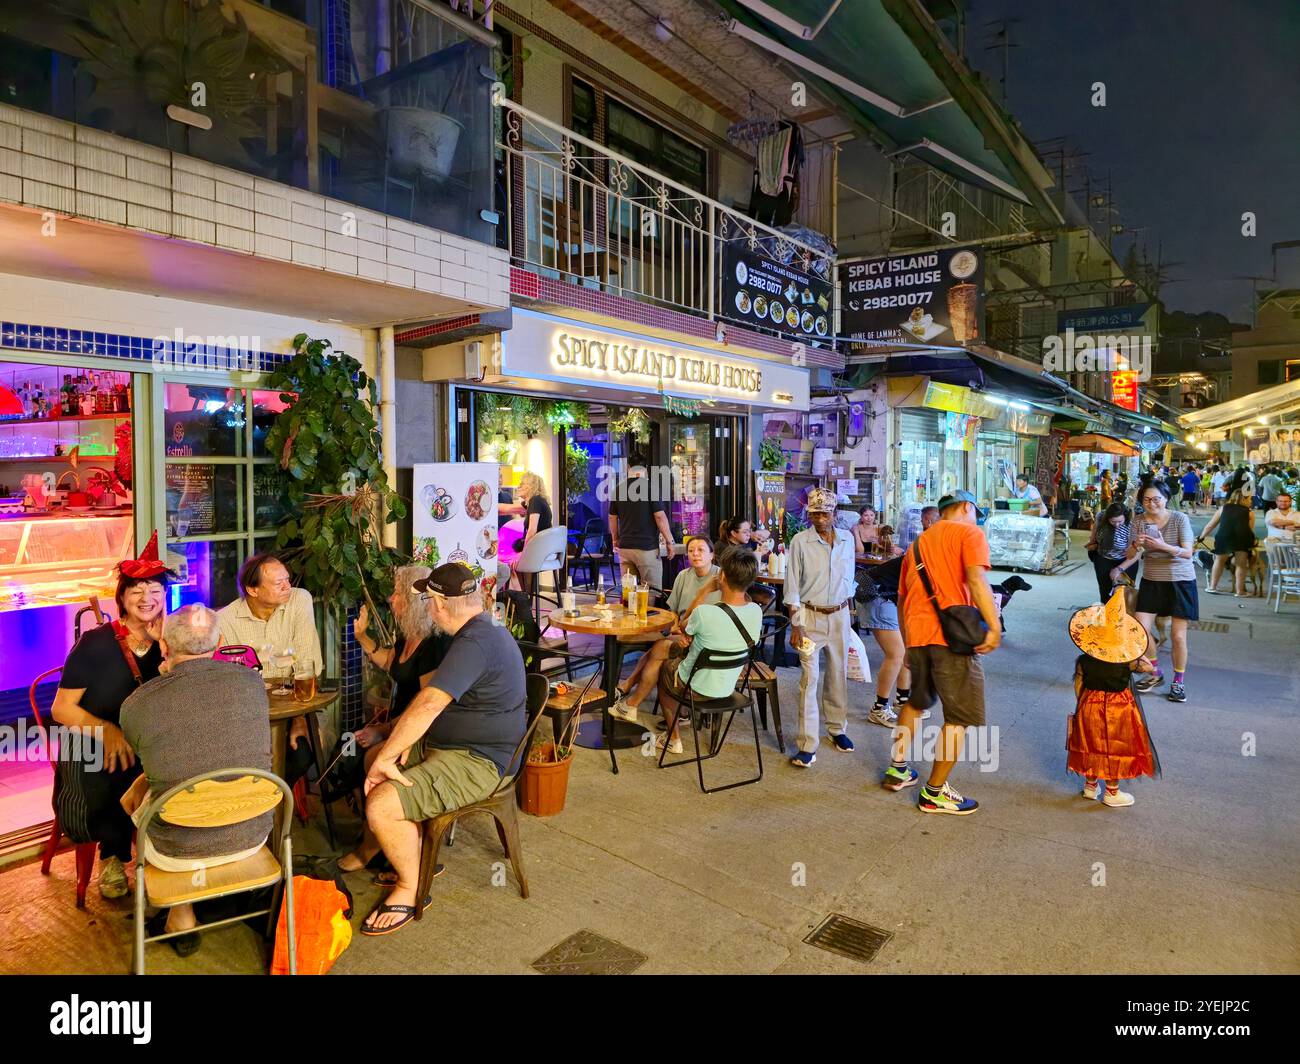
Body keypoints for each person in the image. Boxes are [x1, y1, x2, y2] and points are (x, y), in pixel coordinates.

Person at [360, 562, 526, 936]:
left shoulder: (476, 642)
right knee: (374, 758)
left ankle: (410, 887)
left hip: (479, 761)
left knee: (381, 803)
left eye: (430, 600)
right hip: (455, 745)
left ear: (440, 604)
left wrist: (389, 755)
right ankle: (418, 857)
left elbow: (430, 702)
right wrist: (388, 750)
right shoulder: (475, 632)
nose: (428, 608)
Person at [118, 604, 272, 956]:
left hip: (177, 849)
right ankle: (189, 906)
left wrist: (164, 680)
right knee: (162, 788)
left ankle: (180, 913)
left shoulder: (137, 704)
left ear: (165, 647)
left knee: (146, 795)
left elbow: (147, 750)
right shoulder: (252, 682)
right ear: (219, 642)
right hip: (252, 834)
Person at [51, 532, 168, 900]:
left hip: (154, 738)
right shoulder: (96, 643)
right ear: (121, 597)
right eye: (136, 591)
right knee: (118, 764)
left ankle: (168, 856)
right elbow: (61, 708)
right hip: (97, 741)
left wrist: (168, 648)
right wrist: (107, 731)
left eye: (154, 590)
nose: (146, 599)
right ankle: (113, 856)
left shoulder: (172, 639)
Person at [886, 491, 1001, 813]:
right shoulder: (970, 533)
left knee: (916, 702)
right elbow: (977, 581)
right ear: (967, 507)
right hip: (951, 640)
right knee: (959, 717)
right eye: (976, 511)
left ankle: (898, 768)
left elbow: (902, 599)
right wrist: (993, 626)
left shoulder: (917, 545)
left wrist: (909, 643)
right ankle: (934, 792)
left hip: (919, 636)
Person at [340, 565, 454, 881]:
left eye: (398, 594)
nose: (390, 599)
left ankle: (374, 847)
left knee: (370, 761)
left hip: (419, 734)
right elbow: (392, 662)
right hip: (397, 727)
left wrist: (383, 731)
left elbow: (427, 708)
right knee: (347, 752)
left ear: (416, 602)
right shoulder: (409, 633)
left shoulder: (435, 644)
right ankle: (390, 841)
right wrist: (362, 637)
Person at [217, 552, 324, 781]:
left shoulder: (299, 599)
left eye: (287, 579)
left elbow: (306, 662)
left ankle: (275, 810)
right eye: (278, 583)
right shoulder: (225, 620)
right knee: (244, 764)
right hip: (248, 715)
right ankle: (262, 809)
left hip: (294, 705)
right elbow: (226, 680)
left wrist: (299, 718)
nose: (288, 586)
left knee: (301, 754)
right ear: (253, 590)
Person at [654, 546, 763, 755]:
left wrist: (704, 591)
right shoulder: (756, 612)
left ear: (721, 576)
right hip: (728, 687)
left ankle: (673, 738)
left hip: (695, 690)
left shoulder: (705, 613)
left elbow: (682, 626)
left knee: (664, 668)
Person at [610, 535, 720, 725]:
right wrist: (676, 627)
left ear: (712, 555)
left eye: (701, 550)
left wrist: (686, 632)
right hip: (681, 631)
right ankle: (673, 710)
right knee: (660, 649)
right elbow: (674, 611)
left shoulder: (720, 578)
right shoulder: (683, 576)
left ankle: (628, 693)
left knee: (659, 650)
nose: (695, 554)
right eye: (691, 551)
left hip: (704, 637)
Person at [1066, 591, 1161, 809]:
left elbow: (1078, 684)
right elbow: (1149, 669)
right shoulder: (1127, 660)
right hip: (1119, 708)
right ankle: (1112, 792)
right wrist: (1139, 654)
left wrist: (1082, 705)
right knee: (1114, 749)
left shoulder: (1084, 659)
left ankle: (1091, 787)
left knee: (1091, 744)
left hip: (1090, 704)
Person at [784, 487, 857, 766]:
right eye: (815, 514)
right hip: (809, 618)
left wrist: (849, 611)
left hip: (839, 617)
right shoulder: (800, 542)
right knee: (809, 680)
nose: (820, 519)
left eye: (825, 513)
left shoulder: (847, 540)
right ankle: (807, 744)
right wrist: (796, 625)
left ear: (834, 513)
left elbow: (848, 577)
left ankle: (837, 729)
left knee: (838, 675)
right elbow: (792, 586)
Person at [1128, 482, 1197, 702]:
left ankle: (1179, 682)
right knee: (1139, 630)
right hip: (1152, 580)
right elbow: (1130, 553)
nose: (1152, 503)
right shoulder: (1138, 521)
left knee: (1178, 636)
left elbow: (1187, 552)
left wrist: (1160, 545)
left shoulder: (1179, 519)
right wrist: (1136, 545)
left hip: (1180, 581)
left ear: (1165, 498)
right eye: (1147, 500)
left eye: (1156, 498)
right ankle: (1155, 672)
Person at [856, 550, 911, 728]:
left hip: (889, 597)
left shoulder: (931, 554)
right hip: (876, 595)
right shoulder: (926, 556)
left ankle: (903, 701)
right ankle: (879, 709)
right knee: (896, 654)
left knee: (906, 650)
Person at [609, 455, 675, 590]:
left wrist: (615, 539)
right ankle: (645, 611)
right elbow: (660, 517)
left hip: (625, 548)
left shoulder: (618, 489)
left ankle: (630, 612)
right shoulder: (651, 487)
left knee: (629, 591)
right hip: (646, 548)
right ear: (645, 469)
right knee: (650, 591)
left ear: (628, 468)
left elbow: (612, 517)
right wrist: (670, 541)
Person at [1198, 488, 1257, 597]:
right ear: (1246, 499)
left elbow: (1210, 525)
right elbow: (1250, 529)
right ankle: (1240, 592)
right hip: (1241, 539)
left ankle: (1212, 587)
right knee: (1241, 565)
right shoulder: (1249, 513)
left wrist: (1201, 537)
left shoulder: (1223, 509)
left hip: (1223, 537)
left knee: (1219, 561)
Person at [508, 471, 554, 591]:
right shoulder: (536, 501)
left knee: (512, 563)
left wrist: (522, 554)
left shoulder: (535, 501)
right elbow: (507, 508)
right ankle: (523, 600)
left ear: (530, 487)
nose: (518, 487)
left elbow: (532, 531)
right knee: (512, 560)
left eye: (521, 484)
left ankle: (523, 601)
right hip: (546, 549)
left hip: (540, 551)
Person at [1085, 502, 1133, 602]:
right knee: (1105, 592)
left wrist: (1119, 569)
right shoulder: (1101, 516)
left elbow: (1133, 552)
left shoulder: (1132, 523)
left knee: (1124, 593)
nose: (1117, 524)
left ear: (1125, 517)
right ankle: (1107, 614)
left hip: (1125, 559)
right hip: (1103, 557)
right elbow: (1094, 534)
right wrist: (1091, 544)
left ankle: (1123, 616)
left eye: (1120, 521)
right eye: (1113, 521)